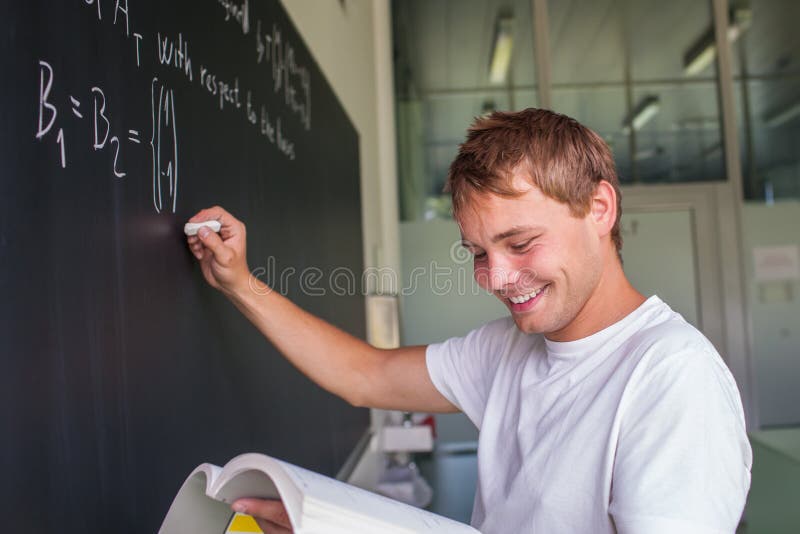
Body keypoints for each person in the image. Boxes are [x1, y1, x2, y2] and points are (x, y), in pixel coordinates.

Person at [186, 108, 752, 533]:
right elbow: (367, 376)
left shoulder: (674, 379)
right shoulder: (508, 349)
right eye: (479, 253)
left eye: (521, 242)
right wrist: (241, 284)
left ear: (599, 208)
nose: (497, 278)